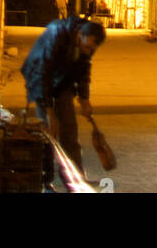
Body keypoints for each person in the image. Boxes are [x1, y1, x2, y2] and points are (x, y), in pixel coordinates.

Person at [21, 17, 105, 176]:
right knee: (47, 132)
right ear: (81, 35)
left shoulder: (89, 42)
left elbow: (84, 69)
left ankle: (76, 177)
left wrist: (84, 98)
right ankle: (45, 178)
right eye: (87, 47)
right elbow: (43, 75)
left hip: (63, 82)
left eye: (91, 49)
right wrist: (50, 112)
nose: (88, 51)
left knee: (69, 130)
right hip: (40, 78)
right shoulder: (57, 39)